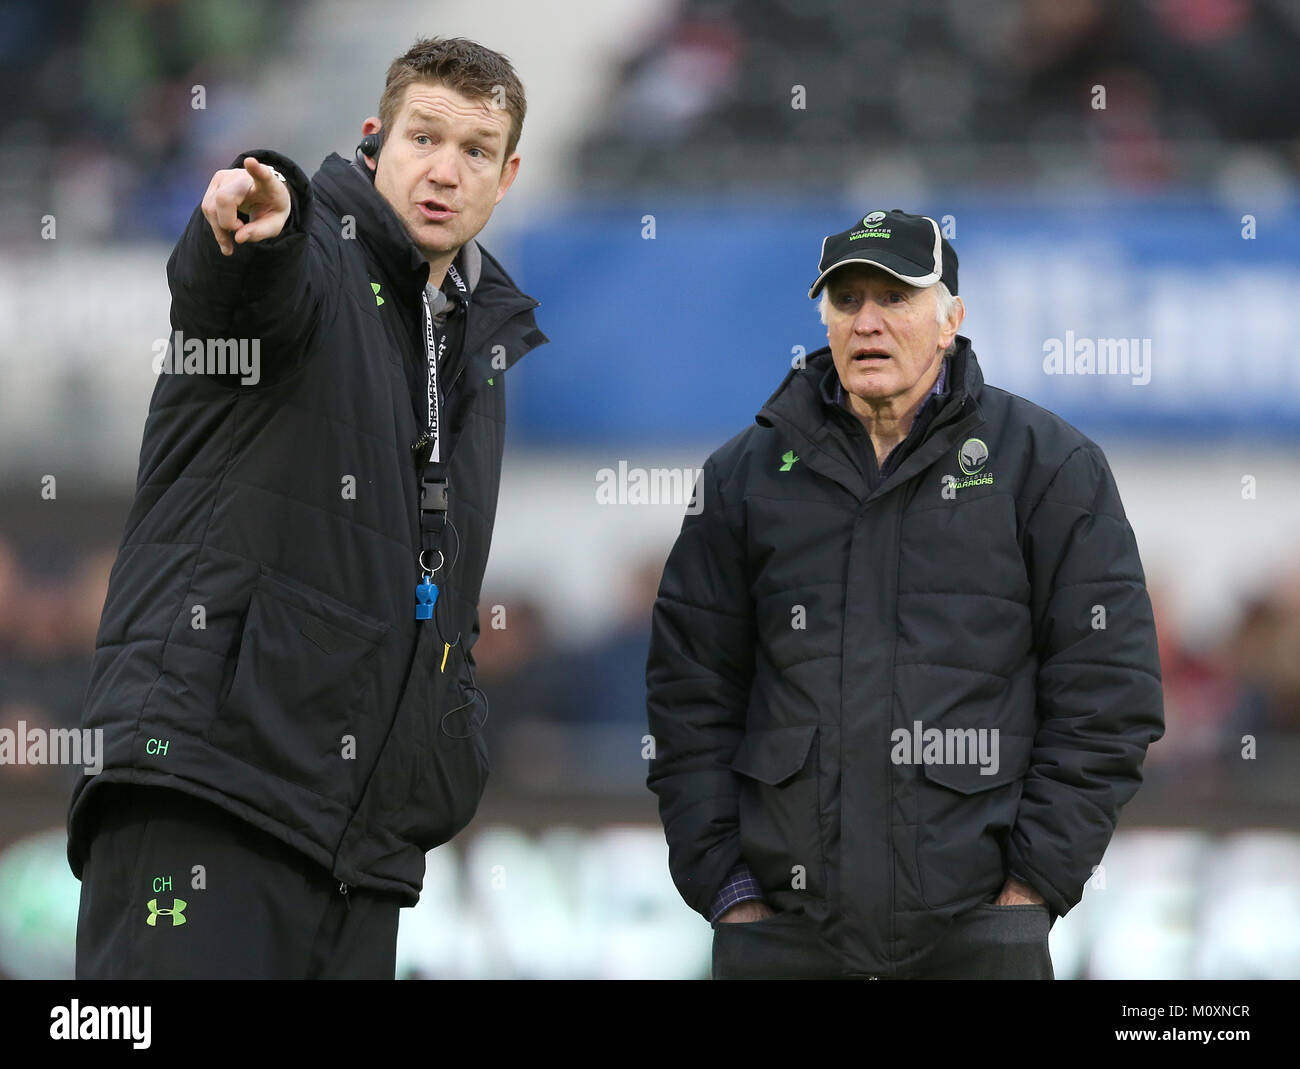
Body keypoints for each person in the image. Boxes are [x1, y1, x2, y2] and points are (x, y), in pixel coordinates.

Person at [68, 37, 548, 980]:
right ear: (376, 140)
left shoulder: (475, 348)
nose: (445, 170)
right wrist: (251, 231)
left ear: (508, 174)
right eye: (424, 137)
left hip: (357, 850)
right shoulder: (313, 252)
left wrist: (447, 728)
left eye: (476, 151)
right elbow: (237, 290)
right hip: (207, 794)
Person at [645, 210, 1164, 979]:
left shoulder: (1048, 466)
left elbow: (1108, 696)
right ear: (823, 319)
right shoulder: (744, 476)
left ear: (950, 318)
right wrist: (732, 890)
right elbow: (689, 696)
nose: (868, 321)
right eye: (847, 300)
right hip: (782, 941)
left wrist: (1029, 893)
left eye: (895, 298)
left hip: (980, 939)